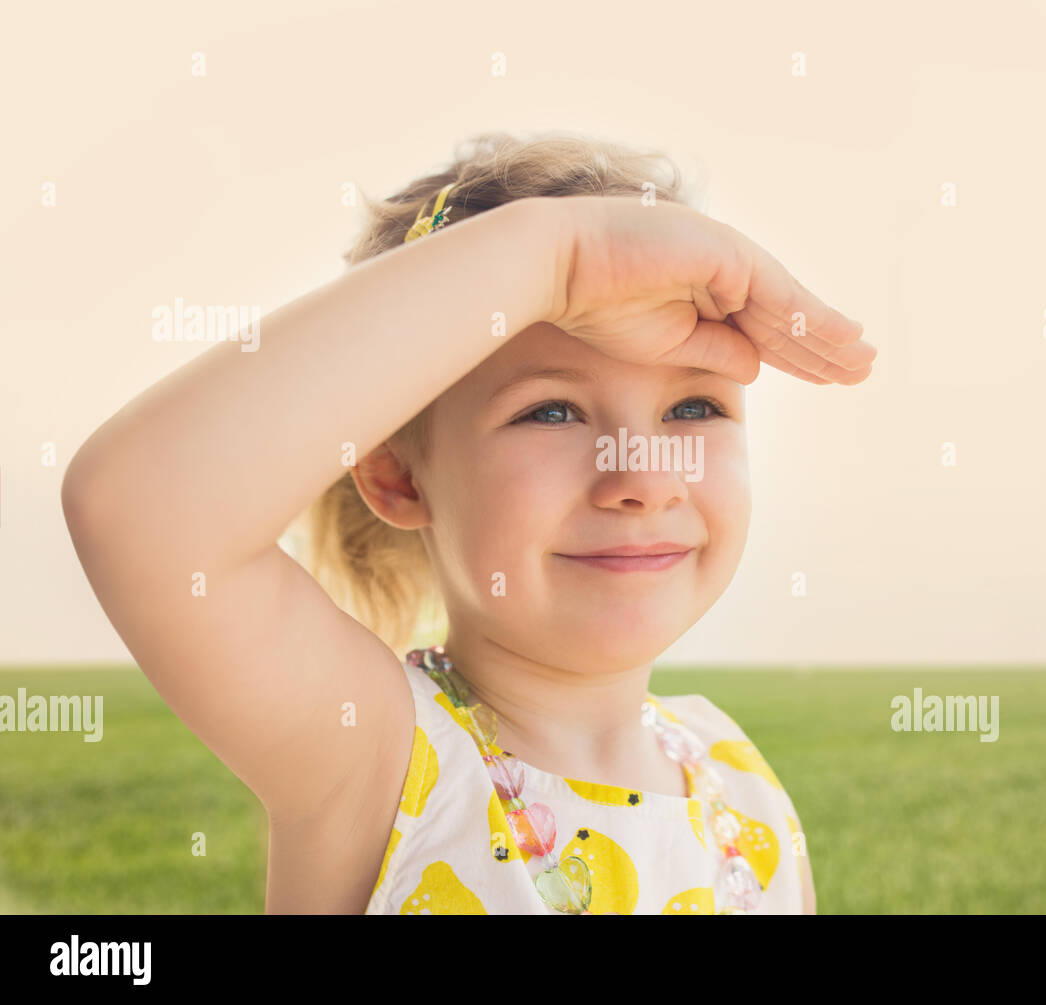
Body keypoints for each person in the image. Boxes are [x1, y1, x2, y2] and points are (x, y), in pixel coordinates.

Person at [61, 131, 877, 914]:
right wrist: (563, 258)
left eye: (693, 405)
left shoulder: (744, 790)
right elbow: (137, 508)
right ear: (395, 471)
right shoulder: (377, 756)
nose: (643, 477)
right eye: (551, 410)